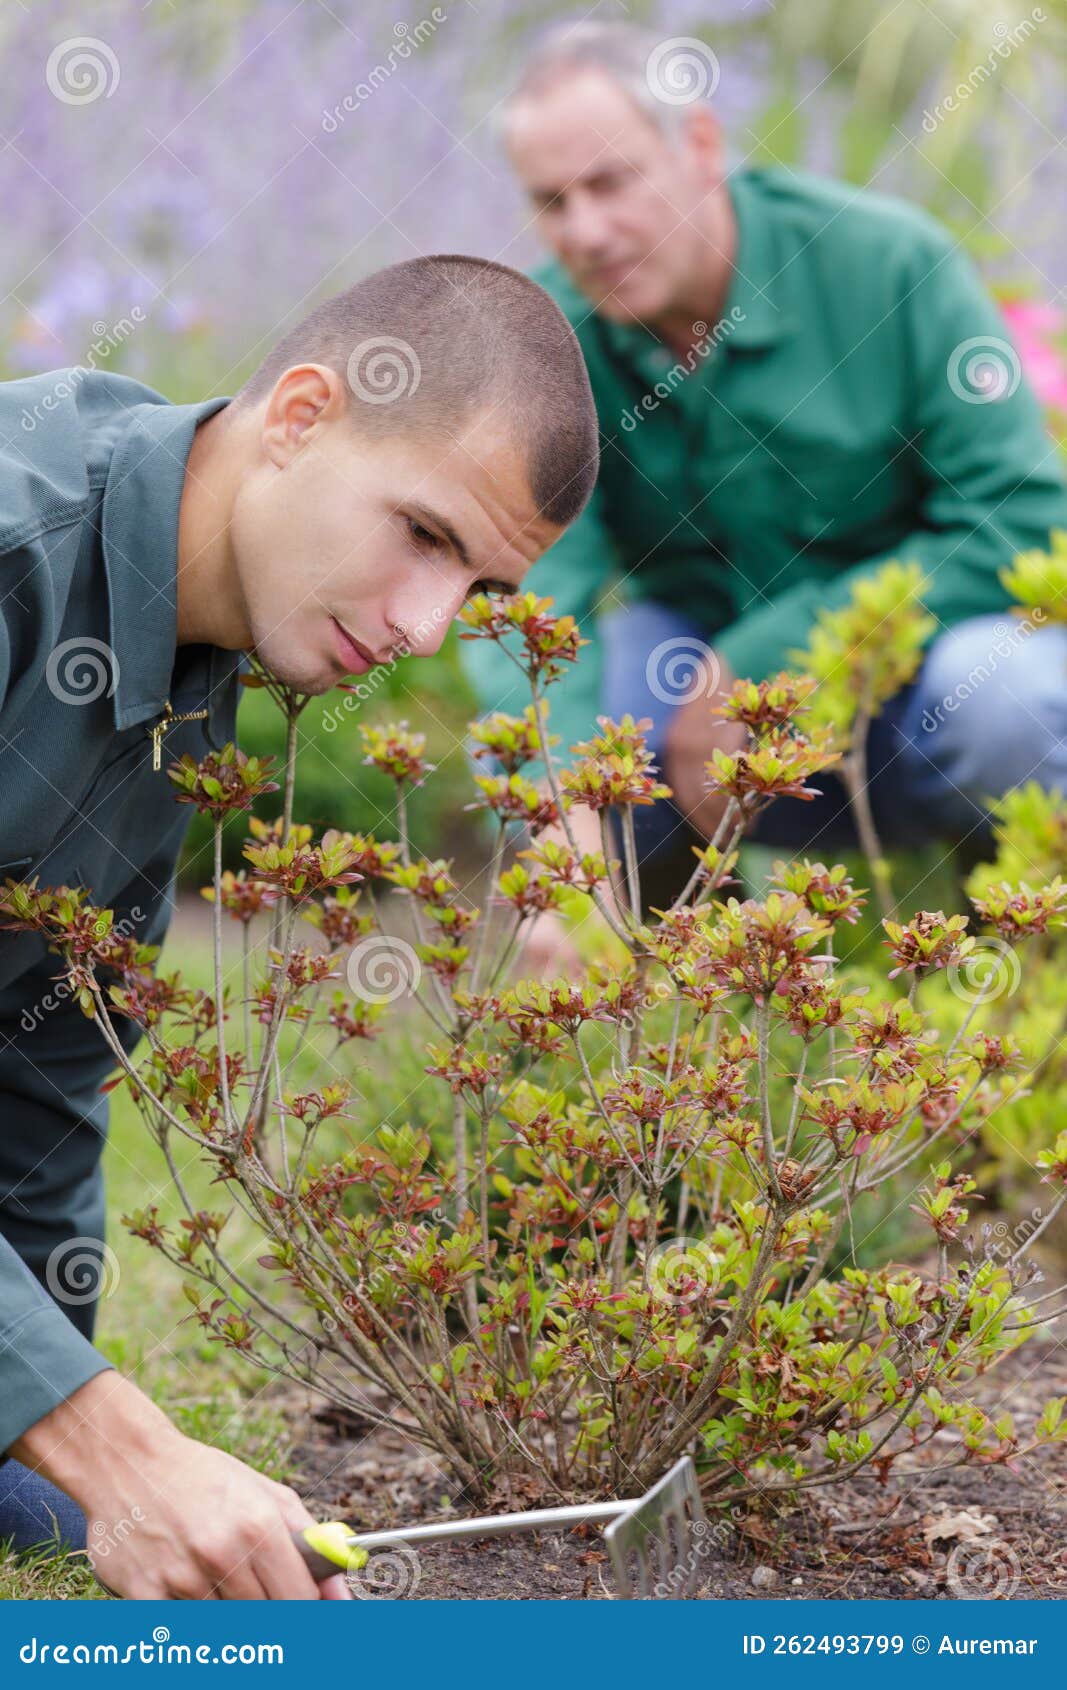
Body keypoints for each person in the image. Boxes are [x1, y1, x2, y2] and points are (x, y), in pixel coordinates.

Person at [0, 254, 598, 1598]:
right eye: (426, 536)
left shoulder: (192, 646)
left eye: (474, 592)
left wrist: (54, 1447)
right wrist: (122, 1449)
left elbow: (39, 1044)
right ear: (301, 413)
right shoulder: (17, 546)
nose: (422, 626)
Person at [459, 21, 1067, 962]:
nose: (584, 230)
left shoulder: (890, 268)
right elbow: (535, 597)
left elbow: (1020, 522)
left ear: (698, 147)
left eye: (611, 183)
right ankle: (683, 1036)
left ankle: (1017, 1008)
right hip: (696, 716)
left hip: (916, 688)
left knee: (1010, 697)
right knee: (593, 724)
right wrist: (561, 811)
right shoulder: (552, 343)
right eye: (551, 201)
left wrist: (760, 663)